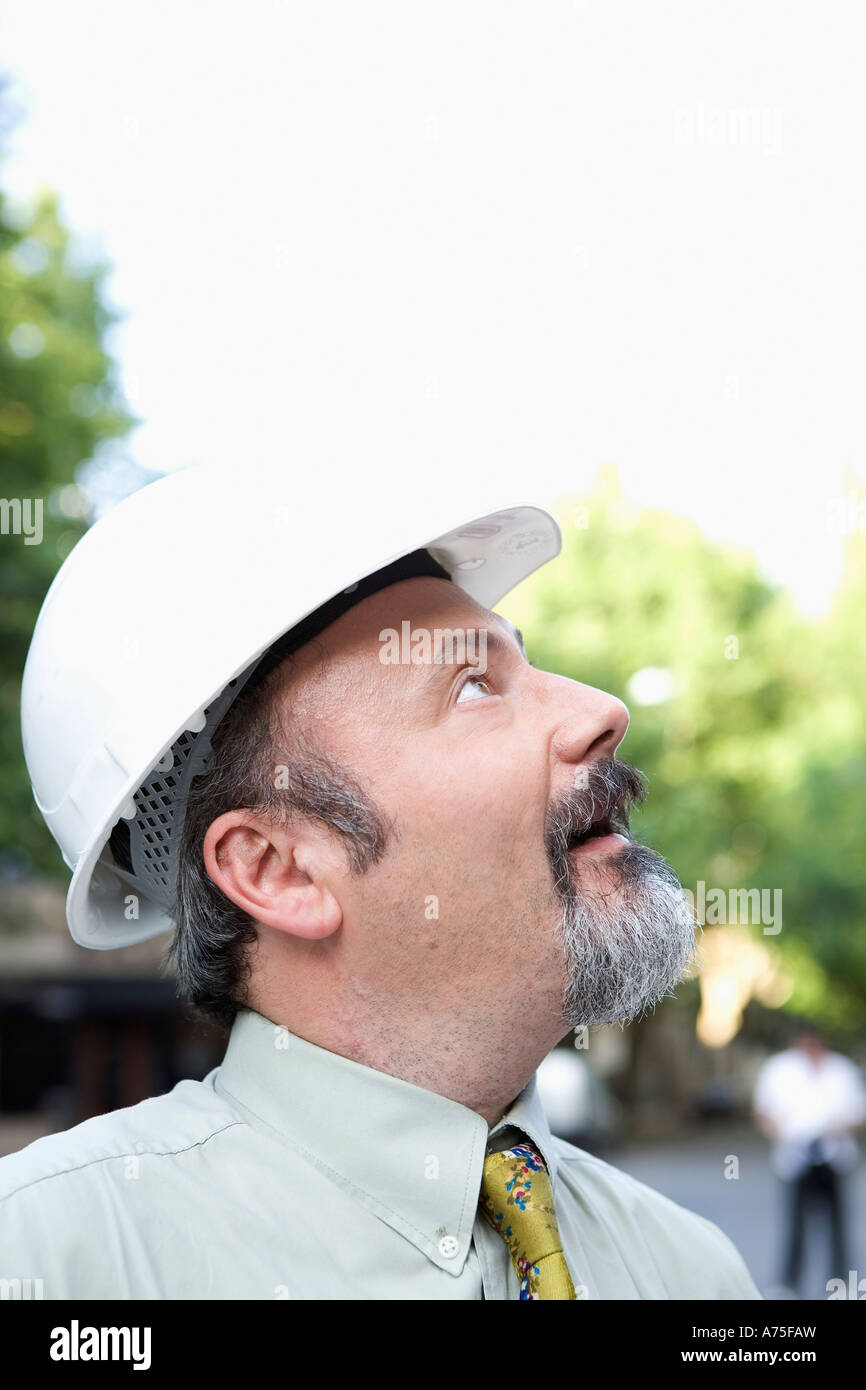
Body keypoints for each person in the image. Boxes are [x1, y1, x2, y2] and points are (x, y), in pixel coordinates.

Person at [1, 467, 761, 1299]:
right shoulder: (48, 1260)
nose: (602, 710)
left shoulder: (695, 1273)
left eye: (529, 663)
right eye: (473, 686)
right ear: (278, 869)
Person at [753, 1028, 866, 1295]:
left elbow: (859, 1111)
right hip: (794, 1157)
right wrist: (780, 1134)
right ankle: (788, 1283)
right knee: (795, 1225)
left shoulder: (842, 1069)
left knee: (838, 1225)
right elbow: (762, 1111)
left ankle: (839, 1280)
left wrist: (841, 1127)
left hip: (834, 1156)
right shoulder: (779, 1069)